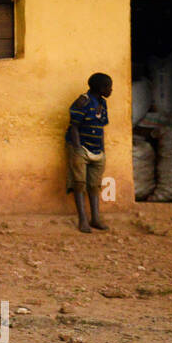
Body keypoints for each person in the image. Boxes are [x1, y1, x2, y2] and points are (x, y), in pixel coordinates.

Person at [66, 73, 113, 233]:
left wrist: (103, 150)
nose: (111, 90)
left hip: (97, 150)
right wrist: (78, 148)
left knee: (94, 185)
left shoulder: (102, 103)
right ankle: (83, 220)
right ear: (101, 88)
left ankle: (95, 218)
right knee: (79, 184)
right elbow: (74, 127)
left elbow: (101, 127)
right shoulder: (83, 102)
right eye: (109, 87)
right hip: (82, 149)